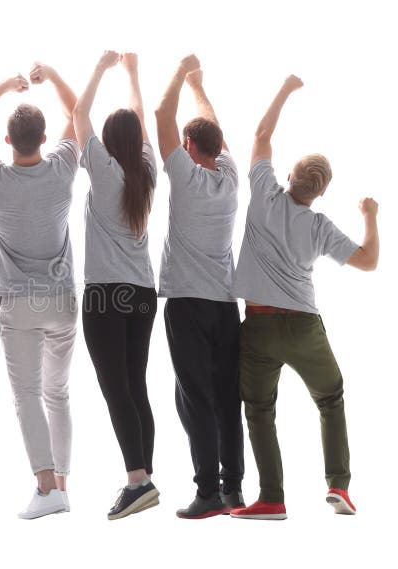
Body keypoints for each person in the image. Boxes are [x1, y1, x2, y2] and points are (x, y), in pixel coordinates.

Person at [230, 75, 379, 520]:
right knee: (330, 399)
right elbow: (369, 260)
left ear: (289, 176)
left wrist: (285, 89)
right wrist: (370, 216)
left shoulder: (264, 197)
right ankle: (339, 487)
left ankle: (272, 497)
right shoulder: (320, 227)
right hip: (304, 326)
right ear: (321, 193)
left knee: (258, 409)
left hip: (258, 325)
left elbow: (260, 136)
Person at [0, 62, 79, 519]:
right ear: (46, 136)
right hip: (63, 303)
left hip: (18, 304)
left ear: (8, 141)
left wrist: (1, 85)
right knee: (58, 393)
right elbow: (81, 113)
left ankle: (45, 485)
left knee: (28, 395)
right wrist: (52, 76)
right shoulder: (62, 169)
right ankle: (62, 486)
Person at [155, 54, 245, 518]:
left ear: (188, 144)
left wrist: (180, 72)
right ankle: (233, 491)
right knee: (226, 398)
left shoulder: (185, 176)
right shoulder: (230, 177)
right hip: (225, 307)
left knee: (195, 395)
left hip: (188, 305)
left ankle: (208, 493)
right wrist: (198, 86)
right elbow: (214, 129)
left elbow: (160, 117)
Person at [73, 50, 159, 520]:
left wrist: (102, 67)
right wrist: (132, 72)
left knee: (116, 389)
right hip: (143, 294)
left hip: (106, 294)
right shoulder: (146, 170)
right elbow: (139, 119)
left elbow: (78, 114)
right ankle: (145, 473)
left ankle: (137, 480)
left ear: (107, 143)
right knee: (136, 385)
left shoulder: (104, 172)